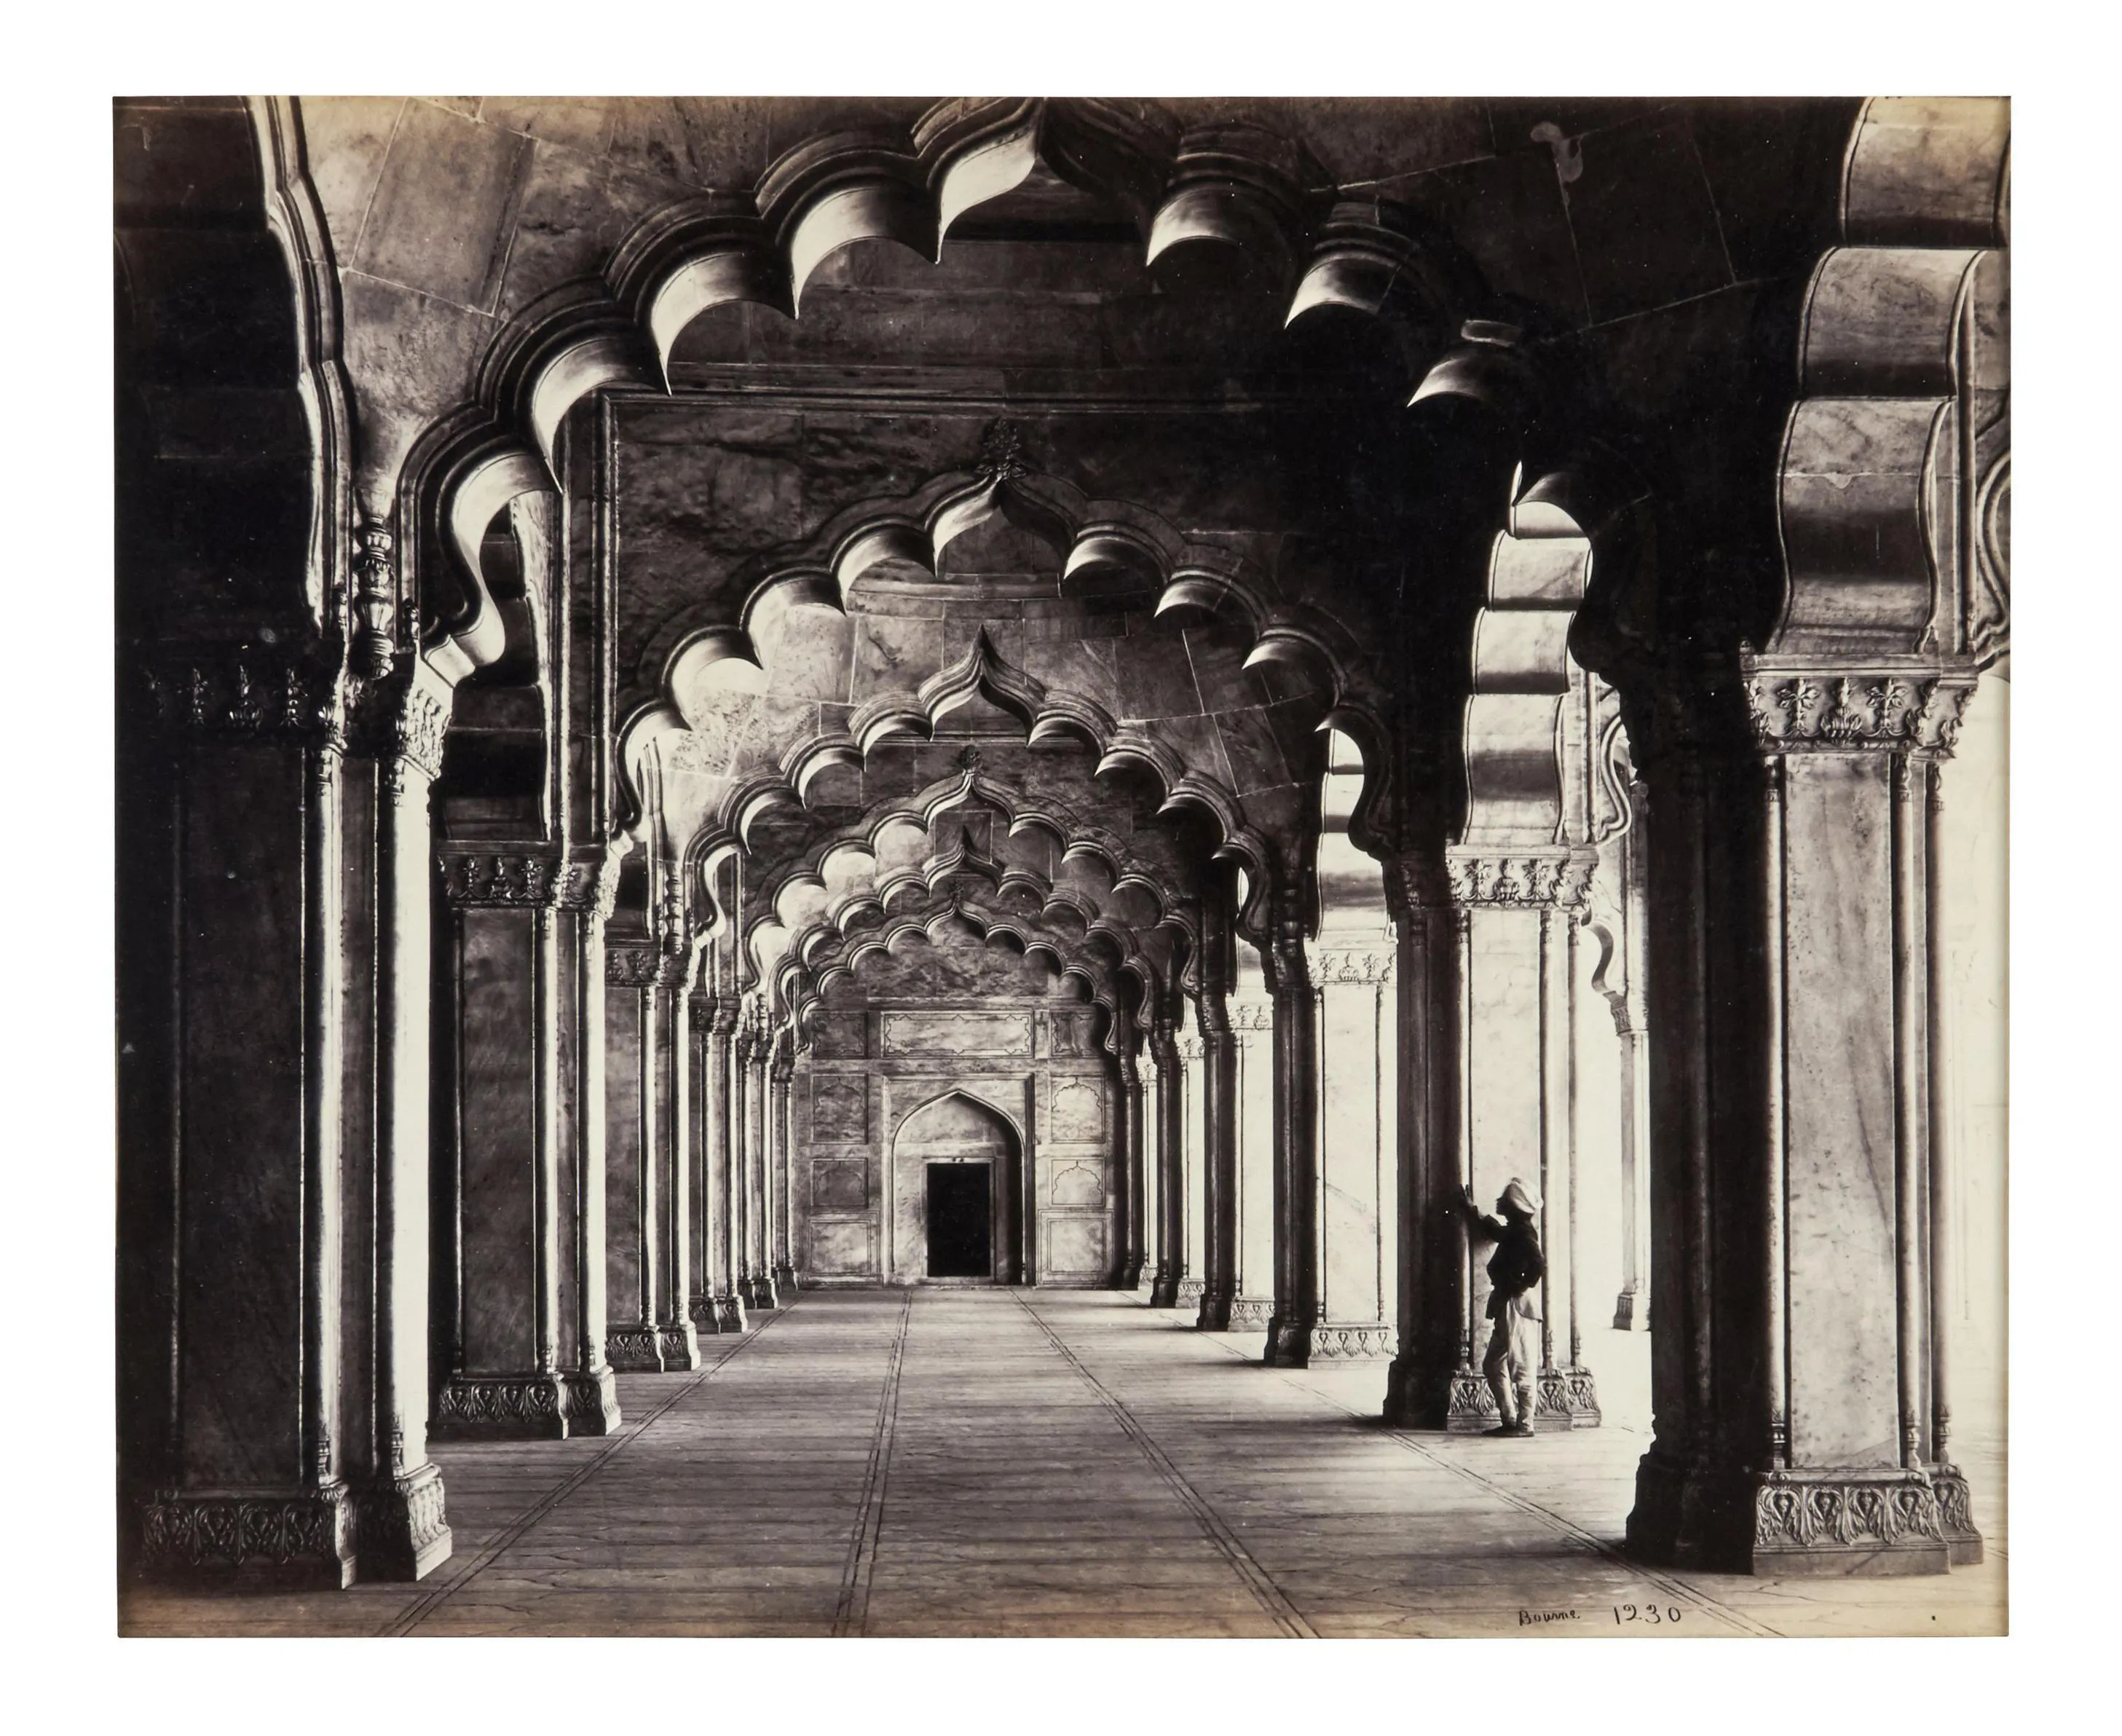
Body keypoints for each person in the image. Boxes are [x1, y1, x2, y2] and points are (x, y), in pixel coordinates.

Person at [1459, 1179, 1544, 1438]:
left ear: (1514, 1206)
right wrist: (1472, 1209)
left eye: (1505, 1200)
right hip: (1507, 1303)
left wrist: (1521, 1284)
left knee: (1521, 1365)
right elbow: (1496, 1231)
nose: (1500, 1202)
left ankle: (1525, 1425)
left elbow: (1538, 1263)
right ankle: (1510, 1420)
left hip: (1516, 1305)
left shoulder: (1524, 1232)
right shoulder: (1517, 1230)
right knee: (1493, 1365)